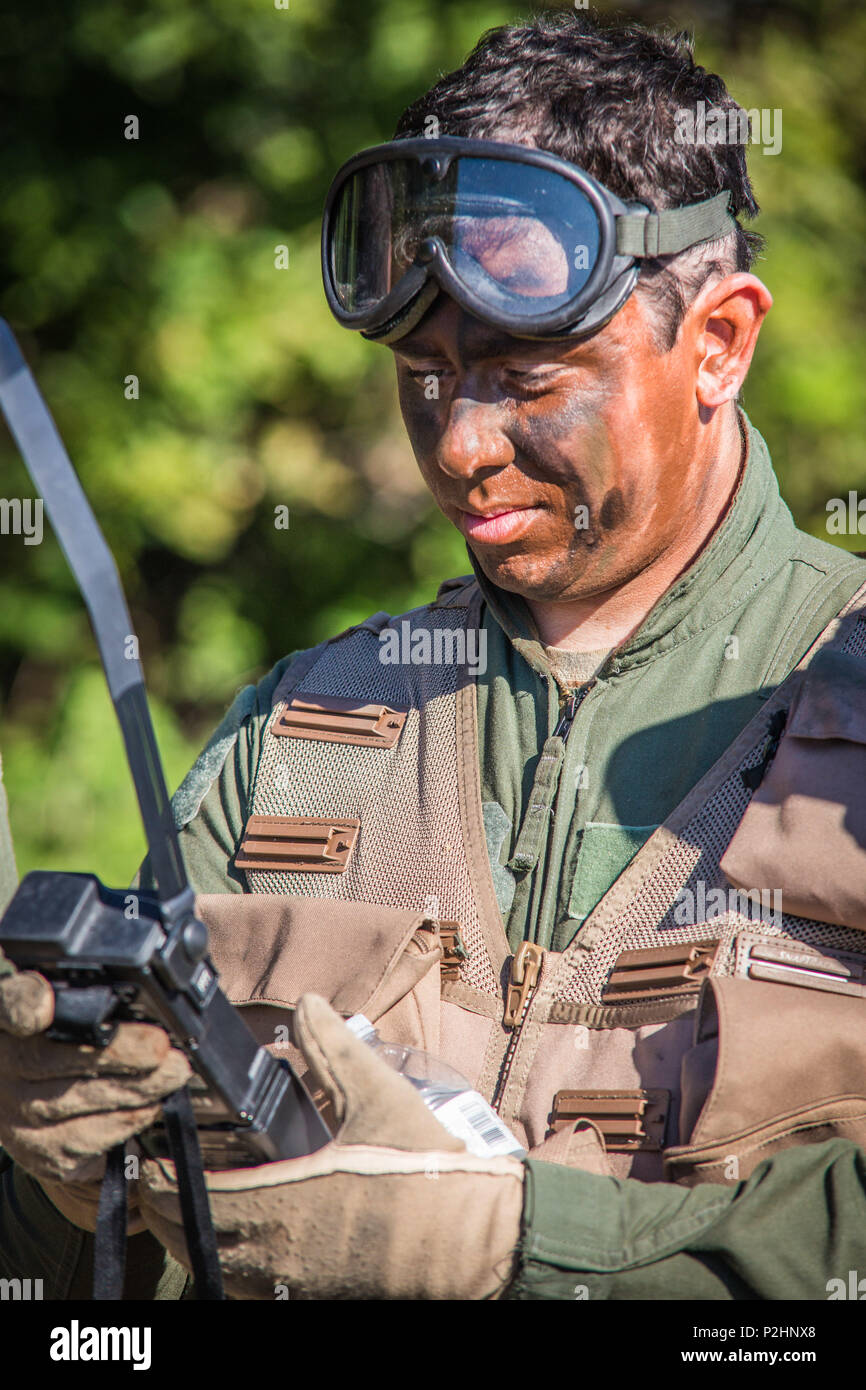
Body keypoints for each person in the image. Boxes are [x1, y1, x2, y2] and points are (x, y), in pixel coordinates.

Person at [3, 11, 866, 1301]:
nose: (458, 444)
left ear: (722, 344)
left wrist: (520, 1251)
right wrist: (58, 1177)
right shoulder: (290, 740)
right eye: (425, 371)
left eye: (527, 378)